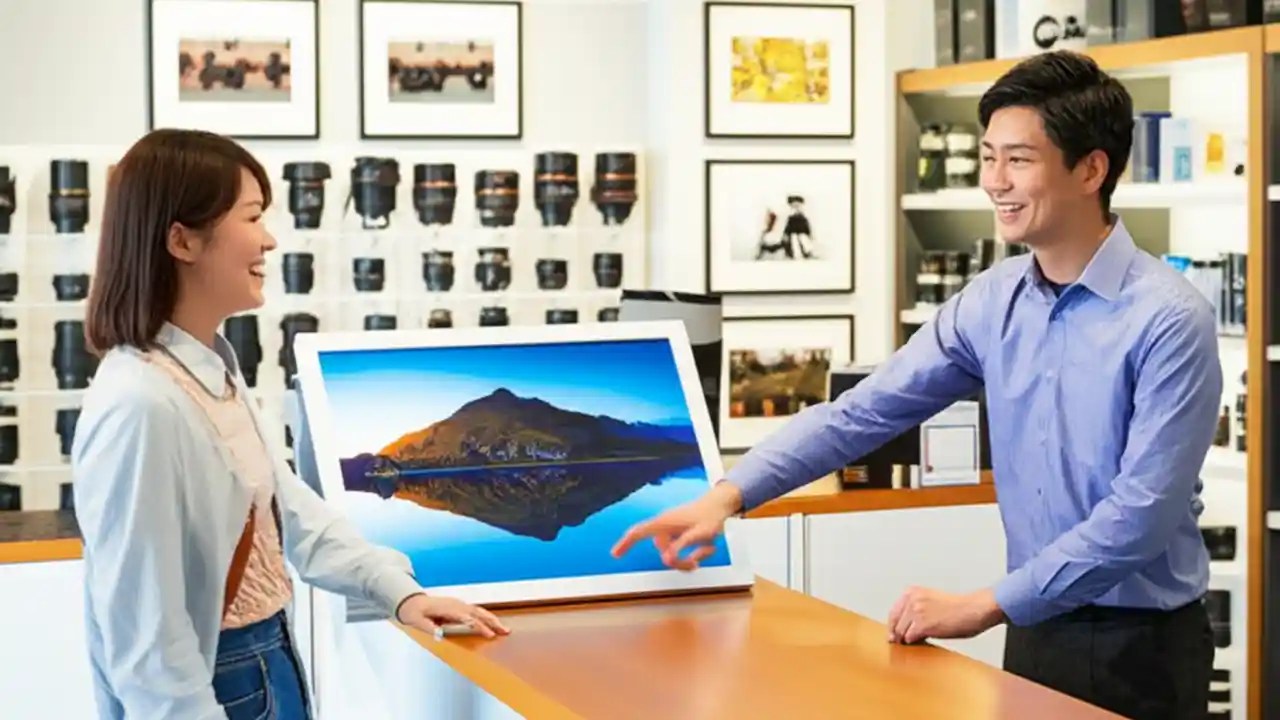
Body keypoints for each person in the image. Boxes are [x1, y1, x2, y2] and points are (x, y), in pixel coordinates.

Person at [613, 50, 1219, 720]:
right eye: (988, 157)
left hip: (1143, 649)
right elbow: (861, 415)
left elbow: (1139, 518)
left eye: (1018, 159)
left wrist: (983, 604)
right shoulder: (991, 304)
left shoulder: (1168, 318)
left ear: (1090, 168)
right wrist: (726, 496)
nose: (994, 181)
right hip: (1037, 630)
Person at [72, 128, 509, 720]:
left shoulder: (210, 369)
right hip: (219, 684)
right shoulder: (141, 405)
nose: (269, 240)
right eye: (252, 217)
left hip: (266, 659)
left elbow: (287, 509)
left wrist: (398, 592)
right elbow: (147, 643)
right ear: (182, 240)